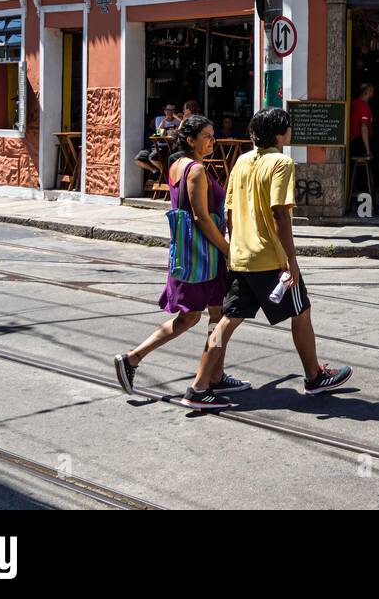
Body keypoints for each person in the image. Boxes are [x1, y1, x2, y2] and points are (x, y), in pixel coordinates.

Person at [183, 108, 353, 408]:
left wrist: (237, 247)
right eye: (288, 129)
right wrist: (291, 259)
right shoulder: (281, 163)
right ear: (279, 134)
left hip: (240, 256)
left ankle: (199, 385)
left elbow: (231, 213)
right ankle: (314, 377)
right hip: (271, 260)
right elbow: (279, 213)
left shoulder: (241, 161)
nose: (290, 134)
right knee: (301, 313)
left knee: (225, 321)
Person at [113, 115, 250, 403]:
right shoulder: (196, 169)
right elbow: (201, 217)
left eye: (213, 135)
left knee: (209, 315)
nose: (213, 140)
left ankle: (215, 375)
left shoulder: (175, 165)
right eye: (207, 136)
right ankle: (133, 358)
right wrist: (228, 250)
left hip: (188, 254)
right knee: (201, 316)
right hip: (205, 256)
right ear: (191, 140)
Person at [135, 104, 180, 175]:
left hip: (168, 146)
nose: (170, 112)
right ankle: (156, 171)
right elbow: (159, 133)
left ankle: (164, 173)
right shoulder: (159, 119)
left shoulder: (178, 121)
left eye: (173, 110)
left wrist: (178, 119)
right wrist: (164, 121)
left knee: (152, 157)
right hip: (157, 145)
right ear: (165, 111)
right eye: (169, 110)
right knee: (138, 159)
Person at [351, 83, 375, 158]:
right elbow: (363, 127)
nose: (373, 93)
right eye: (372, 91)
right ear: (368, 92)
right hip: (360, 141)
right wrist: (367, 150)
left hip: (353, 139)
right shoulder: (363, 105)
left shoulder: (355, 102)